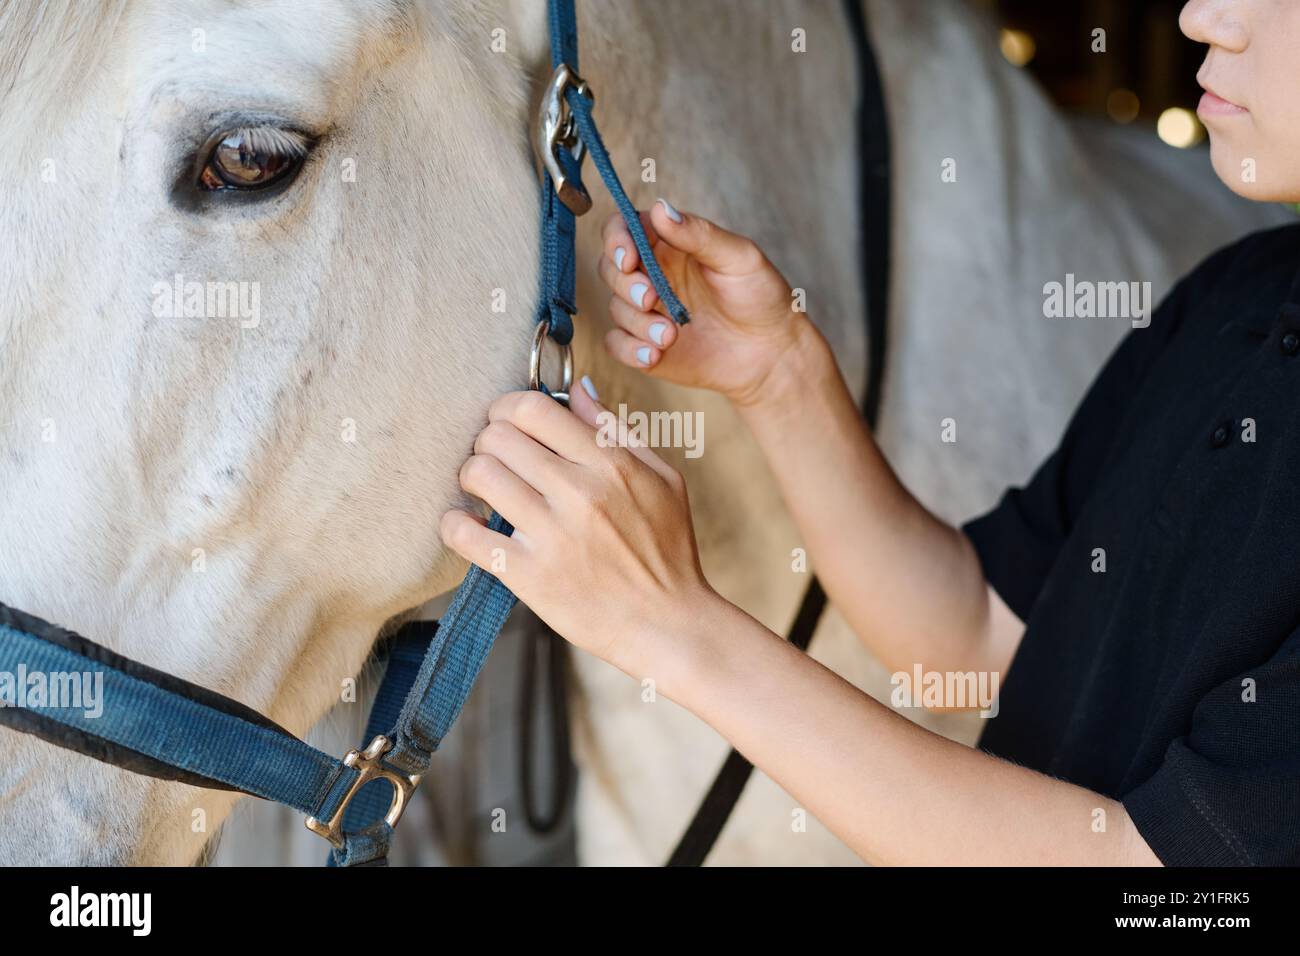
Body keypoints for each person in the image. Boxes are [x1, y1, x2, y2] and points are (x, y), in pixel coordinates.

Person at [440, 0, 1300, 865]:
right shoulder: (1238, 298)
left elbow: (1148, 882)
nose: (1203, 14)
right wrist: (781, 379)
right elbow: (969, 634)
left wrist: (670, 625)